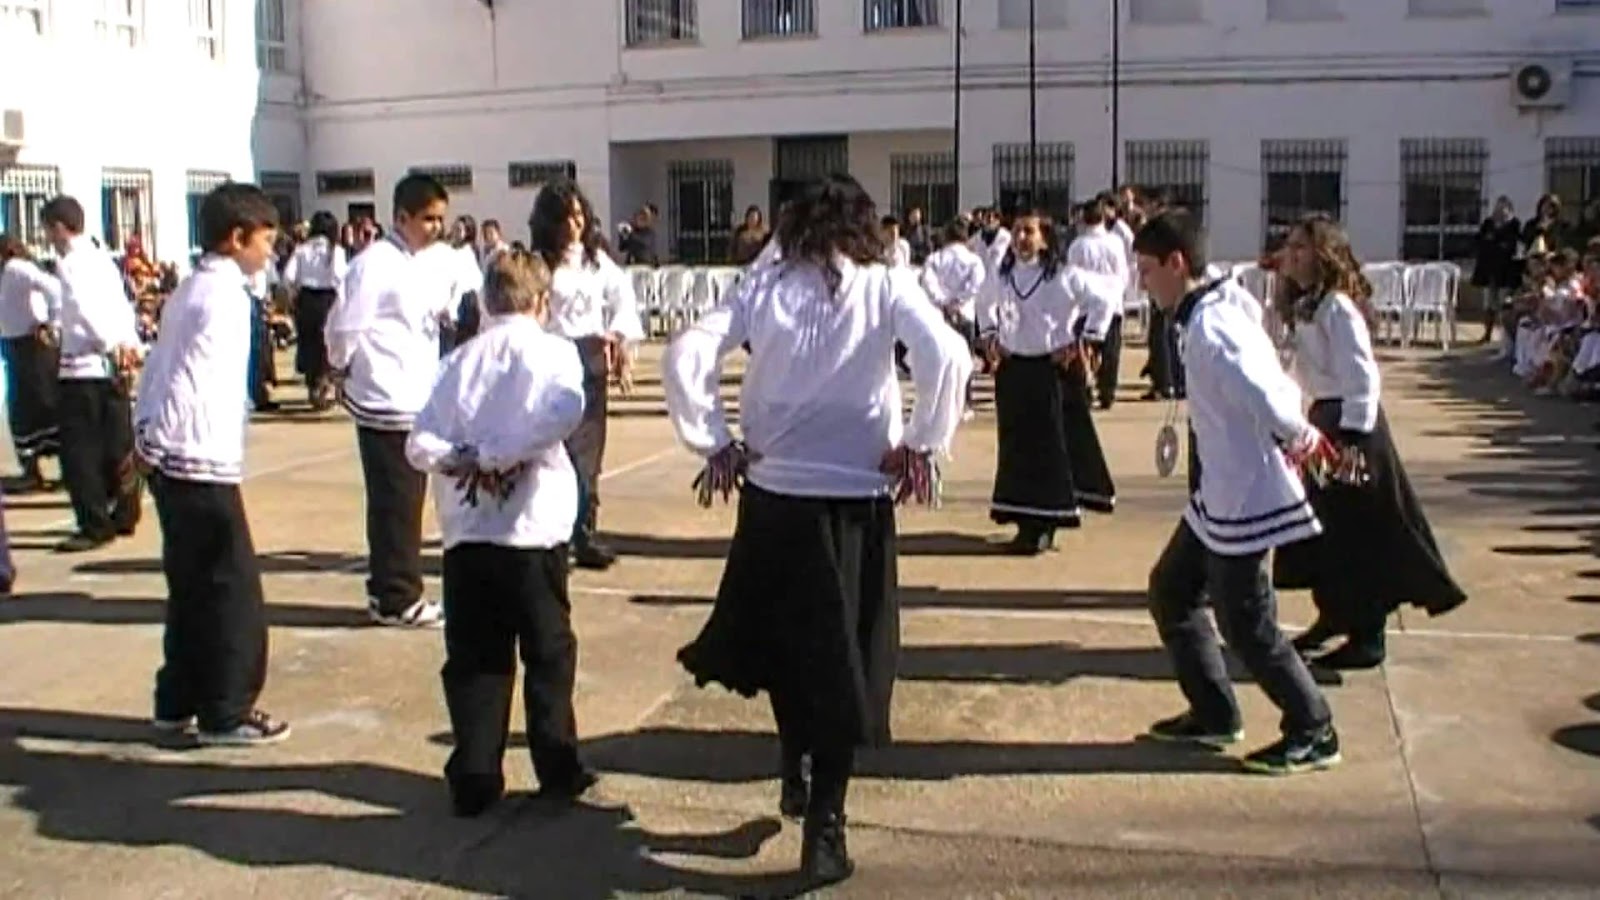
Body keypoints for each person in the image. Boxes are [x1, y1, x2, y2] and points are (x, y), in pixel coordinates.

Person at [662, 174, 971, 886]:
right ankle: (824, 823)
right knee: (845, 661)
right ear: (864, 222)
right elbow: (949, 357)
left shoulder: (765, 284)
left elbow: (687, 353)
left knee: (792, 648)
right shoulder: (886, 282)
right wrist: (921, 445)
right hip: (855, 500)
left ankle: (797, 767)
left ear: (792, 222)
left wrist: (714, 440)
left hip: (777, 499)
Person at [1133, 209, 1342, 775]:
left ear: (1178, 264)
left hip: (1244, 493)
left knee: (1247, 621)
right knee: (1173, 589)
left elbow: (1265, 390)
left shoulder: (1212, 327)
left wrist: (1302, 437)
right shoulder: (1216, 304)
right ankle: (1214, 712)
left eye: (1147, 271)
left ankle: (1313, 725)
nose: (1142, 284)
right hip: (1218, 489)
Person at [406, 249, 595, 817]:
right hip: (532, 533)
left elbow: (420, 444)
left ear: (488, 302)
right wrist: (497, 457)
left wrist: (471, 457)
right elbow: (566, 409)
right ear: (541, 302)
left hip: (469, 533)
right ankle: (556, 766)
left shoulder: (457, 362)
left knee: (475, 658)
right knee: (548, 652)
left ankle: (475, 772)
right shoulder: (554, 352)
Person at [1272, 214, 1467, 669]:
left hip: (1349, 427)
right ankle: (1335, 615)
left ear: (1323, 255)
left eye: (1301, 248)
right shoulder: (1308, 306)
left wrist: (1351, 440)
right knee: (1323, 528)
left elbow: (1362, 376)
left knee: (1360, 530)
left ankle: (1368, 634)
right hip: (1322, 420)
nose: (1292, 255)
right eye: (1290, 247)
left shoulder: (1338, 308)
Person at [134, 182, 289, 746]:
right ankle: (226, 708)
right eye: (265, 239)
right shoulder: (219, 297)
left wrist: (147, 439)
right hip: (195, 458)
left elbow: (161, 370)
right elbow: (183, 379)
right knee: (231, 592)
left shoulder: (194, 290)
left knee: (194, 586)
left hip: (183, 456)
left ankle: (177, 700)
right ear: (236, 237)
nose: (271, 250)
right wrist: (155, 443)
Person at [325, 174, 456, 627]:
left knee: (404, 499)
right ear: (400, 217)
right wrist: (342, 368)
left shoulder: (421, 261)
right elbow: (345, 325)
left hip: (414, 393)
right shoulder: (375, 263)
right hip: (385, 396)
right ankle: (398, 596)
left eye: (441, 218)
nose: (436, 228)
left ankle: (391, 589)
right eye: (428, 219)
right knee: (395, 502)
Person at [979, 210, 1118, 555]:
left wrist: (1084, 340)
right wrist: (991, 335)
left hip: (1051, 372)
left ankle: (1047, 523)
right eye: (1017, 231)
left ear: (1044, 237)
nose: (1021, 238)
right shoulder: (1003, 274)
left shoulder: (1063, 276)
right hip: (1014, 371)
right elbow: (984, 304)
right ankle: (1024, 520)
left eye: (1028, 231)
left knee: (1049, 449)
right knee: (1017, 448)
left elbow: (1104, 301)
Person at [528, 178, 645, 571]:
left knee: (588, 455)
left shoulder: (597, 261)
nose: (574, 224)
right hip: (554, 360)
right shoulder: (539, 263)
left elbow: (623, 298)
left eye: (579, 214)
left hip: (591, 358)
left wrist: (622, 339)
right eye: (565, 216)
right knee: (554, 452)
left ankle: (585, 532)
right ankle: (554, 537)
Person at [41, 195, 143, 552]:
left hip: (84, 365)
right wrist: (128, 344)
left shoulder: (69, 264)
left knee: (80, 451)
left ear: (58, 227)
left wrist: (107, 343)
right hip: (113, 363)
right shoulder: (103, 259)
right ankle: (126, 512)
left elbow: (84, 310)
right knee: (118, 443)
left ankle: (94, 523)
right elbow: (121, 304)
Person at [0, 235, 63, 490]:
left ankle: (60, 470)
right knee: (24, 410)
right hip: (17, 347)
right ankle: (32, 470)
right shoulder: (7, 273)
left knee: (43, 405)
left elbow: (53, 288)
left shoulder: (16, 268)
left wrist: (52, 322)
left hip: (33, 346)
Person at [283, 210, 347, 410]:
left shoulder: (301, 249)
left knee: (309, 342)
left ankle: (312, 385)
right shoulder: (335, 250)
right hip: (328, 299)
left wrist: (294, 294)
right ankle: (325, 385)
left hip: (307, 299)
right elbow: (340, 277)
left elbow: (288, 276)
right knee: (327, 344)